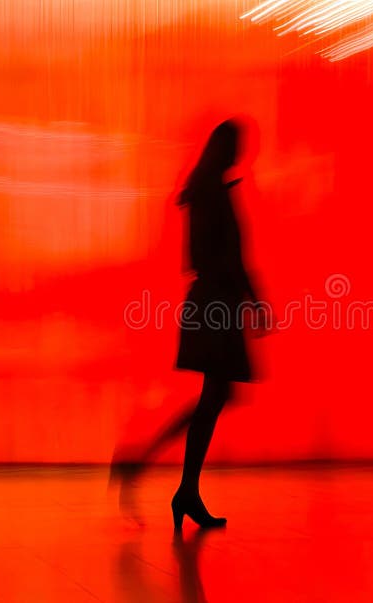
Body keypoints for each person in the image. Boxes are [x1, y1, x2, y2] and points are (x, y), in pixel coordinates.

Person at [111, 119, 269, 529]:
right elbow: (233, 256)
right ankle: (151, 471)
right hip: (219, 305)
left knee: (213, 399)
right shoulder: (216, 194)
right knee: (215, 398)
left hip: (208, 302)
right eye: (238, 145)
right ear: (226, 148)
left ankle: (174, 484)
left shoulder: (203, 192)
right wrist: (254, 302)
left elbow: (209, 256)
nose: (243, 153)